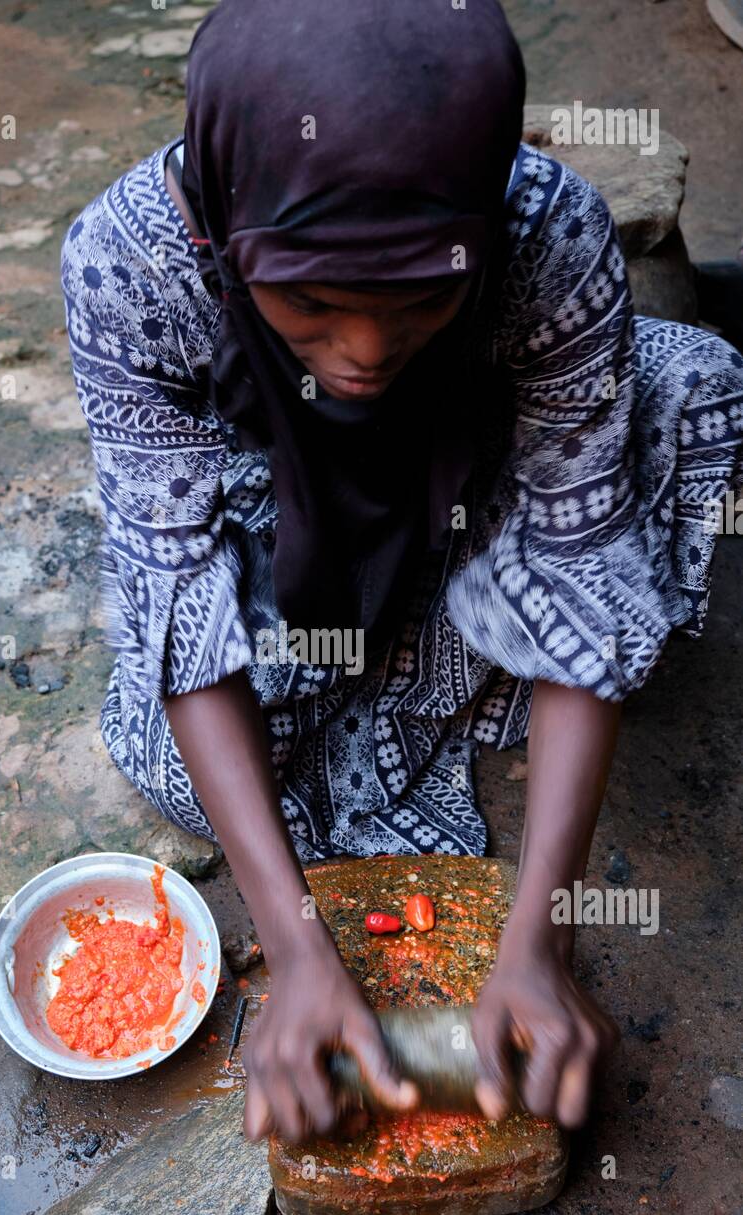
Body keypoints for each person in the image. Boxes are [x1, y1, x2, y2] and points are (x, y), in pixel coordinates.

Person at [61, 0, 743, 1143]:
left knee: (694, 385)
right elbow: (178, 600)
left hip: (467, 482)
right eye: (309, 300)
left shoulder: (547, 236)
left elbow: (574, 558)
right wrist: (293, 943)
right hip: (278, 500)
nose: (366, 350)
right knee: (194, 768)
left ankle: (436, 650)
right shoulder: (128, 265)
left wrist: (540, 937)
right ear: (232, 232)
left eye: (423, 295)